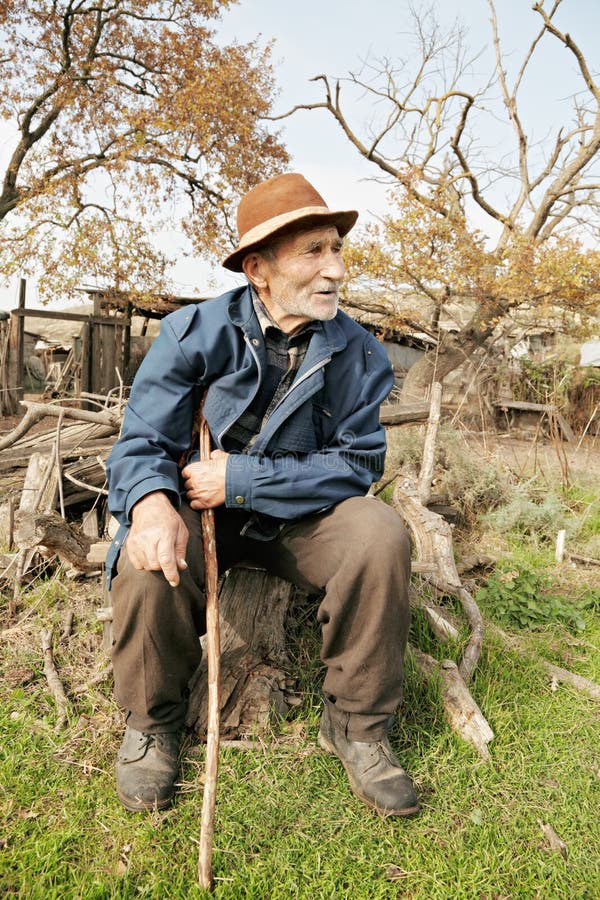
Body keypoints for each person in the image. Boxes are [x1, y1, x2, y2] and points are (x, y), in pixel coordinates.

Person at [105, 172, 418, 817]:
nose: (335, 269)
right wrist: (151, 505)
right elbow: (141, 442)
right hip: (201, 515)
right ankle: (152, 723)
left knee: (380, 535)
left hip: (299, 520)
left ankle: (359, 728)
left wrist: (243, 481)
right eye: (314, 251)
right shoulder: (194, 332)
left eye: (337, 248)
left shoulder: (360, 353)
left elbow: (358, 464)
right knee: (145, 558)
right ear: (259, 269)